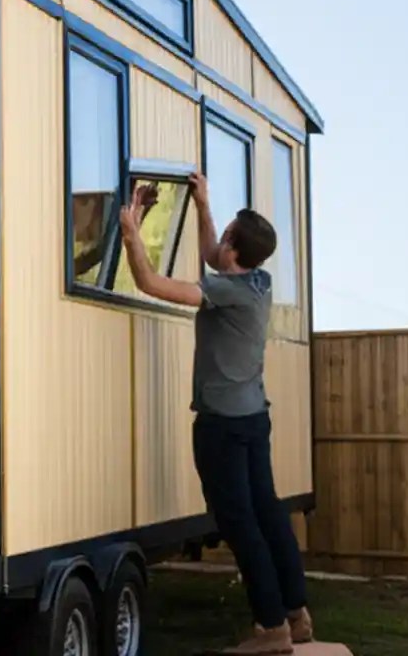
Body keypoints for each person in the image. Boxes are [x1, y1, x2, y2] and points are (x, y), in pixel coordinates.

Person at [119, 175, 313, 656]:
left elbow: (149, 283)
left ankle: (272, 630)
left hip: (223, 427)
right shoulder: (258, 282)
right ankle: (296, 615)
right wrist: (202, 205)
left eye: (224, 232)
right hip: (253, 419)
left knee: (240, 525)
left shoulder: (228, 292)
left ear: (233, 245)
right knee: (268, 514)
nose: (219, 237)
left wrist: (131, 233)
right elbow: (213, 257)